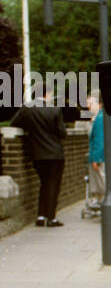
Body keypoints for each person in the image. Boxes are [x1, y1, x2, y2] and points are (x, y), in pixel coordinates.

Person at [10, 95, 66, 226]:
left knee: (44, 183)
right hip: (55, 154)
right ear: (46, 94)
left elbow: (14, 124)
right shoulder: (54, 110)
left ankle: (41, 216)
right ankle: (52, 218)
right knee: (53, 185)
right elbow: (62, 133)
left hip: (37, 154)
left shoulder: (26, 109)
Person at [87, 93, 111, 202]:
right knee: (110, 184)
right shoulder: (106, 116)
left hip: (102, 158)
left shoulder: (100, 119)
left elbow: (99, 140)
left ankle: (110, 209)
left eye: (90, 103)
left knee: (105, 186)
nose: (88, 106)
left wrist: (96, 159)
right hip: (108, 156)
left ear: (98, 103)